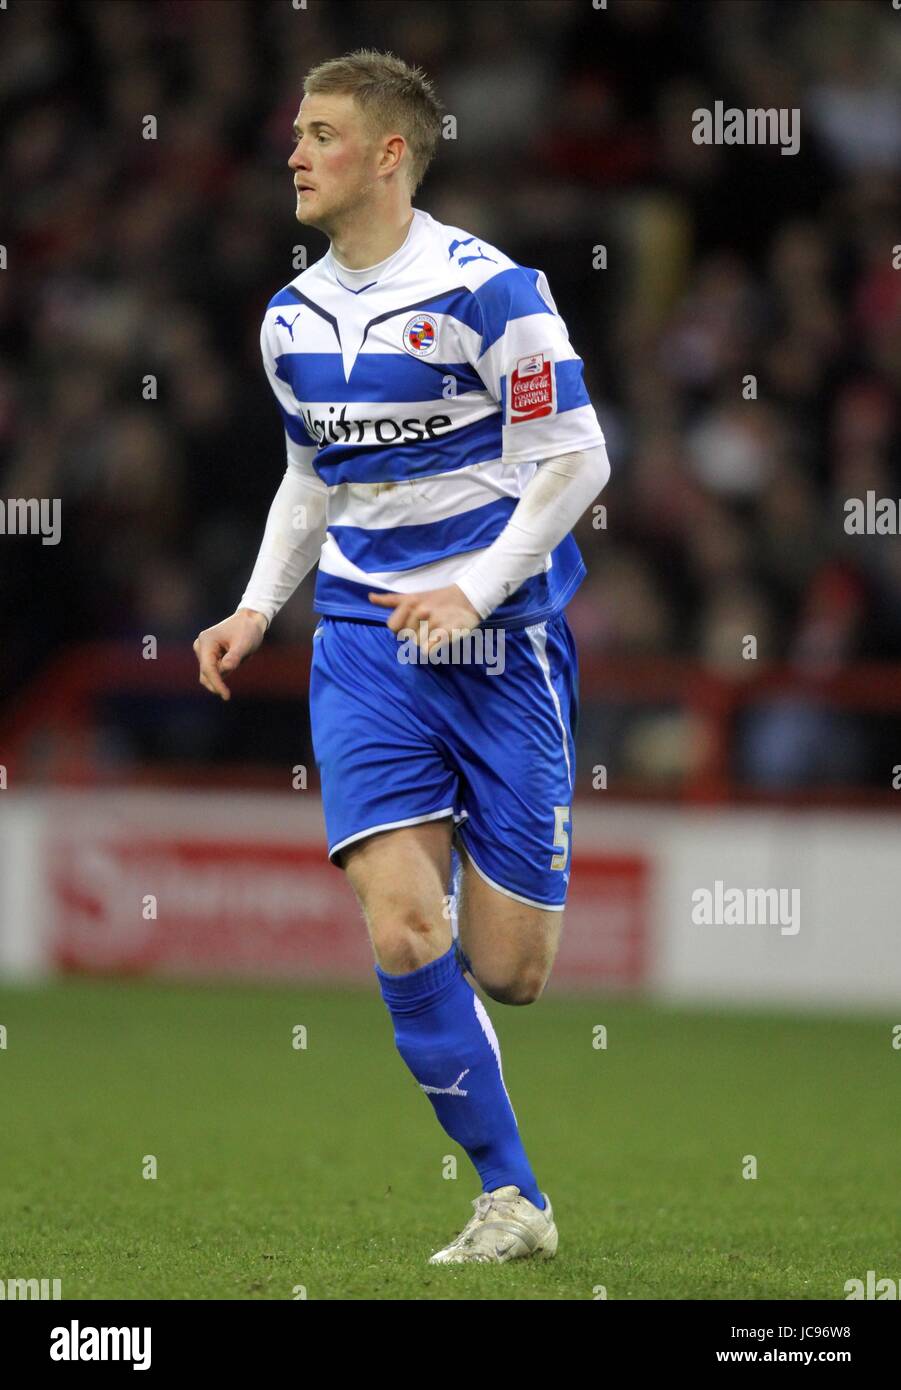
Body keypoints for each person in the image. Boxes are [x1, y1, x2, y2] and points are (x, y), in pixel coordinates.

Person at [193, 49, 610, 1264]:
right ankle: (511, 1199)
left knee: (511, 969)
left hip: (501, 643)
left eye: (320, 133)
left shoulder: (494, 292)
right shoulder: (288, 319)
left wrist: (473, 585)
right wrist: (257, 607)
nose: (295, 152)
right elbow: (309, 475)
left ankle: (505, 1161)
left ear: (388, 154)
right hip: (366, 641)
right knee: (400, 926)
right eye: (294, 132)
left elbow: (576, 459)